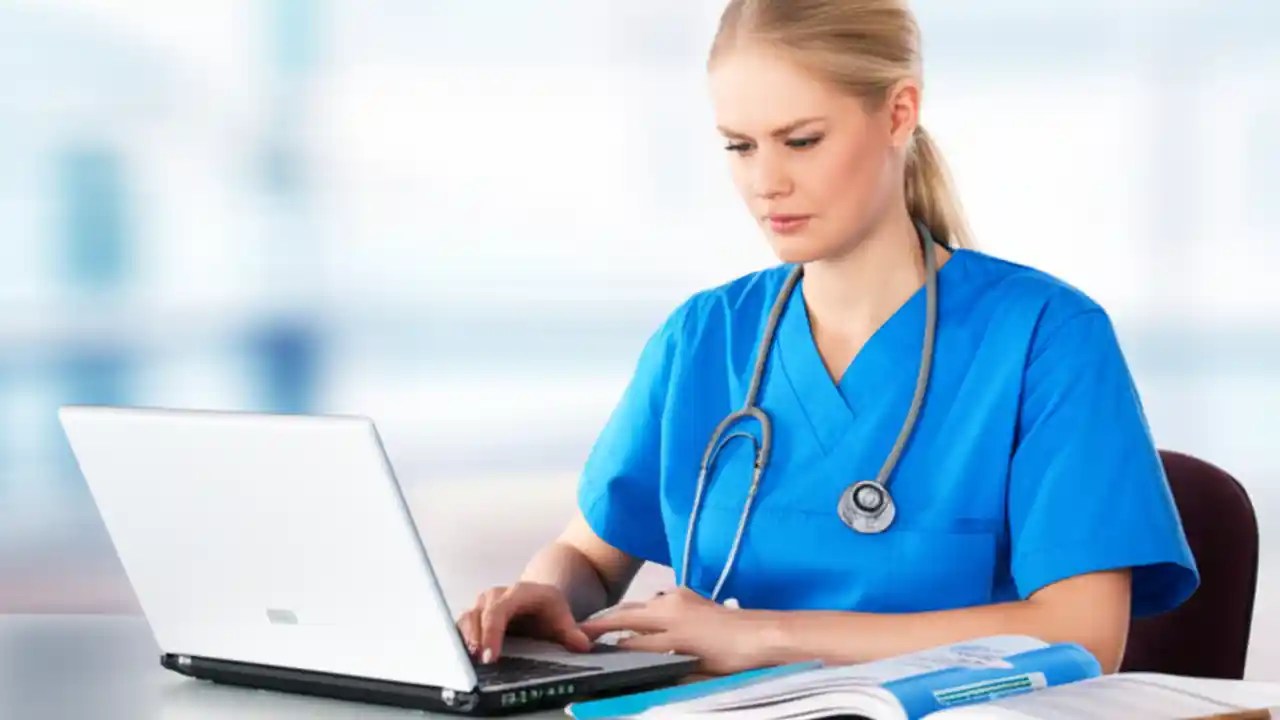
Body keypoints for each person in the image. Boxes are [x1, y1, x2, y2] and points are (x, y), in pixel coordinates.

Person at [456, 0, 1198, 677]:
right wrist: (540, 596)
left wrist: (766, 637)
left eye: (801, 140)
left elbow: (1083, 632)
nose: (765, 182)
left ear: (899, 112)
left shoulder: (1046, 338)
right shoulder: (706, 338)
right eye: (739, 147)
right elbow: (589, 553)